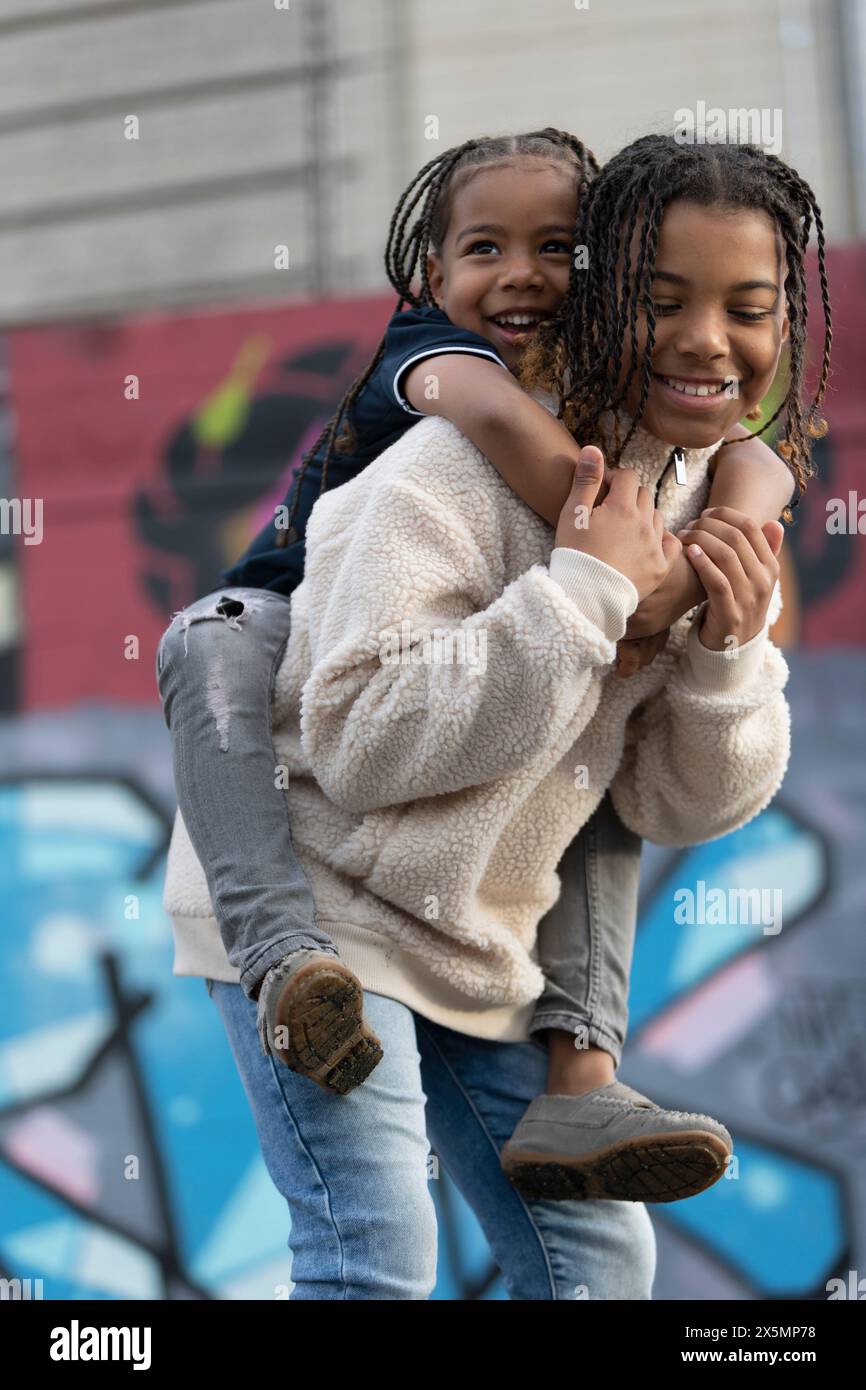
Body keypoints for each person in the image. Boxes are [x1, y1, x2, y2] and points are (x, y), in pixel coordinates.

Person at [159, 130, 810, 1241]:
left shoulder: (698, 486)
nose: (705, 338)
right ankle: (278, 955)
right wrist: (603, 585)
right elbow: (362, 746)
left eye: (746, 307)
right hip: (336, 881)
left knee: (596, 1255)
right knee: (377, 1242)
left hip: (477, 926)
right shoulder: (445, 422)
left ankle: (582, 1071)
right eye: (661, 299)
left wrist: (718, 645)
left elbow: (670, 803)